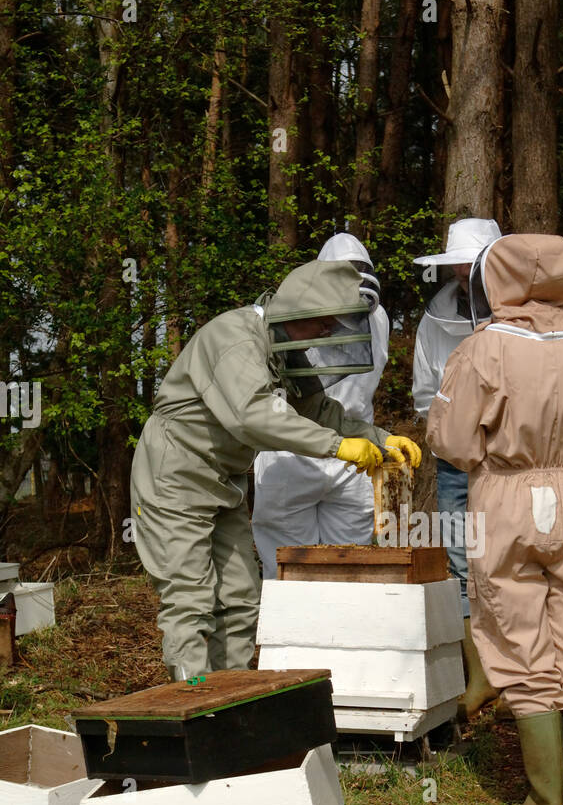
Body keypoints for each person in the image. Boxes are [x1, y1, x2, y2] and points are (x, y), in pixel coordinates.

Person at [427, 234, 563, 805]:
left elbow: (451, 441)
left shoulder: (483, 347)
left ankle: (546, 803)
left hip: (508, 496)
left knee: (520, 639)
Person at [131, 259, 421, 680]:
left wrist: (377, 436)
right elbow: (251, 417)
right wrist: (338, 447)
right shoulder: (234, 338)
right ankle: (192, 706)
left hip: (222, 482)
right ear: (299, 310)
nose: (326, 333)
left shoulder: (280, 348)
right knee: (190, 597)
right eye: (323, 323)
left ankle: (230, 699)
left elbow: (316, 408)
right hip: (174, 478)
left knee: (240, 595)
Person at [252, 234, 390, 578]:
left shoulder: (380, 318)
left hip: (354, 457)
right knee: (288, 570)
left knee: (350, 570)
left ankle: (343, 634)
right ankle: (288, 634)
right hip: (291, 452)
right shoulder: (292, 316)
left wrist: (380, 440)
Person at [413, 216, 502, 717]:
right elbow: (425, 391)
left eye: (473, 264)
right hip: (454, 463)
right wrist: (452, 426)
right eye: (459, 266)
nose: (463, 274)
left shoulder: (522, 313)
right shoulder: (436, 318)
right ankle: (481, 676)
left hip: (511, 461)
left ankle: (520, 679)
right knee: (461, 563)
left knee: (509, 562)